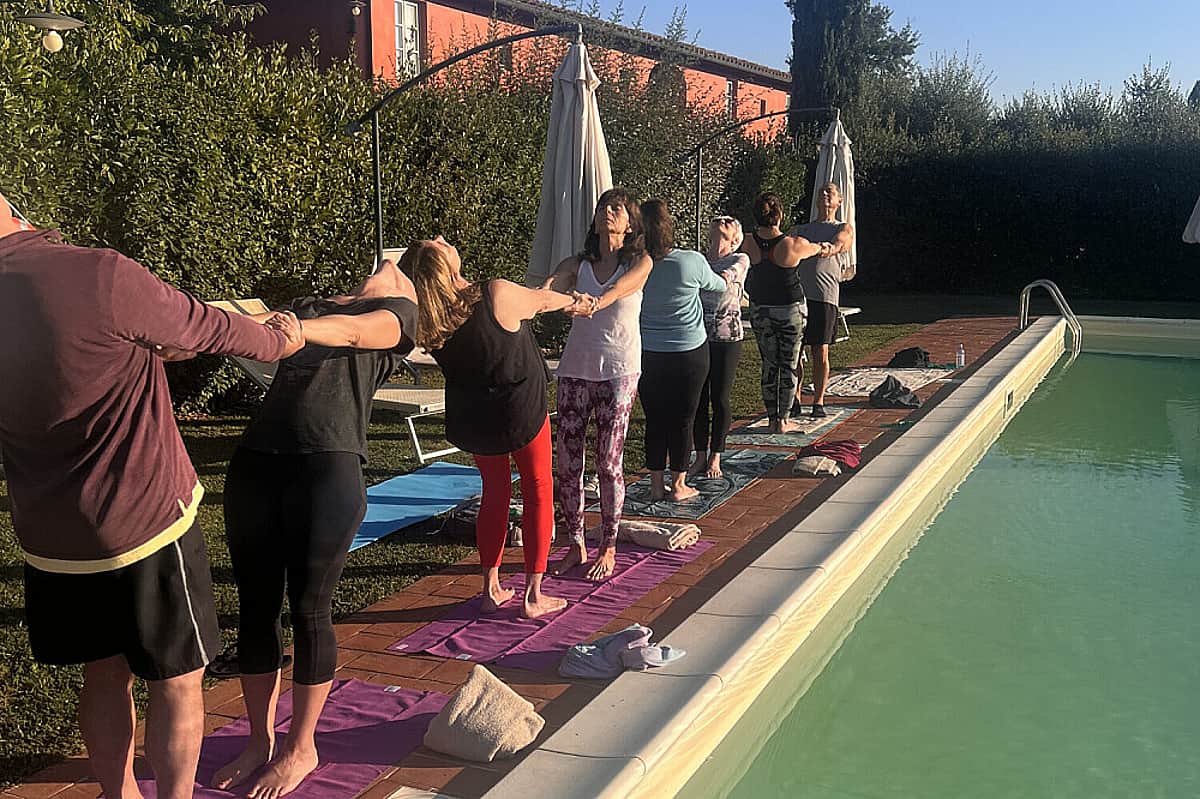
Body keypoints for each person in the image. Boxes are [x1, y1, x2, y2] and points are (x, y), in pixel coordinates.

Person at [0, 192, 302, 799]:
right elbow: (210, 326)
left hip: (52, 537)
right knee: (179, 680)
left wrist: (144, 347)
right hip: (145, 525)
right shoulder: (97, 273)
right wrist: (281, 341)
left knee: (102, 674)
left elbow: (79, 358)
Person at [212, 258, 422, 796]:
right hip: (257, 462)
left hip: (327, 468)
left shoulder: (399, 313)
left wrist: (296, 331)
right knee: (256, 609)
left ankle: (301, 747)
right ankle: (258, 740)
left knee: (309, 609)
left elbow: (353, 332)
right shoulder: (308, 304)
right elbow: (254, 333)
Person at [408, 237, 583, 613]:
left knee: (495, 492)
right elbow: (541, 302)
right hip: (519, 407)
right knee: (538, 489)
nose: (443, 239)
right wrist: (576, 301)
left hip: (475, 414)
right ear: (445, 269)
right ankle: (534, 596)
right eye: (438, 245)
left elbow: (535, 299)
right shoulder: (495, 293)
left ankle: (491, 588)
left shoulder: (432, 321)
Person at [541, 188, 652, 581]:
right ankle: (575, 542)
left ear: (630, 224)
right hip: (575, 369)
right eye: (604, 206)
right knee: (568, 463)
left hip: (619, 370)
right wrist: (541, 299)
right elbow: (551, 287)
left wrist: (592, 303)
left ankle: (608, 544)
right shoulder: (578, 263)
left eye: (617, 208)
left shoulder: (640, 262)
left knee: (607, 461)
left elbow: (619, 291)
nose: (608, 211)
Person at [638, 199, 729, 501]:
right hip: (689, 351)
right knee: (683, 419)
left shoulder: (635, 265)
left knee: (655, 419)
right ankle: (679, 485)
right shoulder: (691, 261)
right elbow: (718, 285)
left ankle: (655, 485)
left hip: (648, 352)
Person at [742, 193, 823, 434]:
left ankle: (771, 419)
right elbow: (817, 249)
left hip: (761, 309)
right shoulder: (792, 244)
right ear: (780, 215)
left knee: (769, 363)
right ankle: (783, 420)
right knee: (789, 364)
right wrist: (828, 247)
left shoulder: (746, 242)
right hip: (790, 310)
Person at [691, 216, 750, 479]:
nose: (722, 220)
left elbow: (726, 278)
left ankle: (716, 454)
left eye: (729, 221)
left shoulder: (740, 259)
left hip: (727, 337)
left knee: (720, 397)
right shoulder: (698, 259)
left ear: (735, 238)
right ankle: (699, 455)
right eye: (719, 220)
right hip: (698, 337)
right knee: (698, 398)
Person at [792, 182, 855, 417]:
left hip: (824, 297)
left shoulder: (843, 227)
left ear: (839, 201)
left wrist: (827, 248)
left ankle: (818, 401)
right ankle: (795, 398)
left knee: (820, 351)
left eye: (831, 191)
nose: (826, 194)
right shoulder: (801, 230)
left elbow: (840, 243)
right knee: (795, 352)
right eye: (822, 191)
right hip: (798, 298)